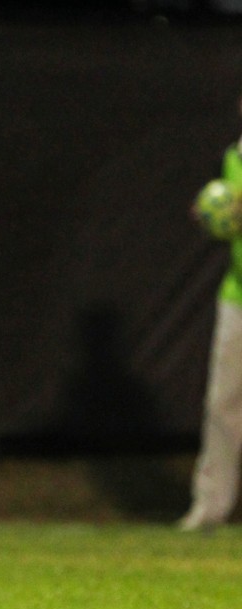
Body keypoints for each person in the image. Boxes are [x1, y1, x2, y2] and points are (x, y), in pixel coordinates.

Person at [179, 93, 242, 531]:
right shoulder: (236, 154)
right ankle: (210, 509)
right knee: (222, 404)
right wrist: (212, 213)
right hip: (238, 293)